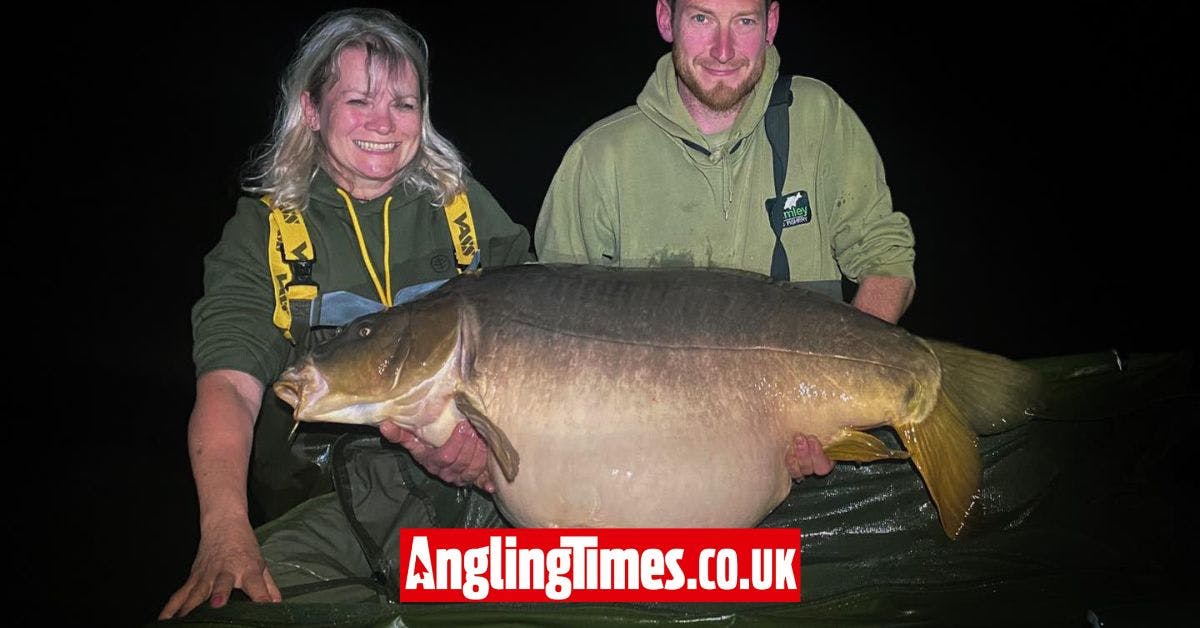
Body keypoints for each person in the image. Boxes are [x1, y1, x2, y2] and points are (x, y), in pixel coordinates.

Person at [160, 8, 529, 619]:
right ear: (312, 110)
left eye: (405, 105)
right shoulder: (266, 232)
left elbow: (541, 348)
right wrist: (225, 526)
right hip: (322, 508)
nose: (384, 125)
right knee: (227, 606)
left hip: (467, 495)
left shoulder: (463, 211)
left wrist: (487, 447)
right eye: (359, 100)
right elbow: (229, 384)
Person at [535, 0, 916, 476]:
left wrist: (839, 407)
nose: (723, 49)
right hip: (656, 454)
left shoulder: (818, 118)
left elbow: (886, 258)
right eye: (700, 18)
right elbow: (555, 335)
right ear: (664, 19)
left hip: (804, 435)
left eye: (744, 21)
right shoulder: (598, 158)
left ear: (771, 24)